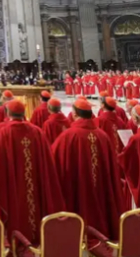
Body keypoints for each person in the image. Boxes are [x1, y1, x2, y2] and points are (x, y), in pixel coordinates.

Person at [0, 101, 63, 244]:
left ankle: (18, 241)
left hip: (14, 181)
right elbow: (47, 157)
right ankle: (37, 238)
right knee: (34, 202)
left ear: (8, 113)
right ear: (24, 114)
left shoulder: (4, 132)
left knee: (18, 206)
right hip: (35, 180)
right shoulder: (37, 131)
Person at [52, 98, 124, 240]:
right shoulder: (103, 136)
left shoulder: (68, 136)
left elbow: (55, 163)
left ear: (74, 113)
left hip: (78, 188)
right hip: (101, 190)